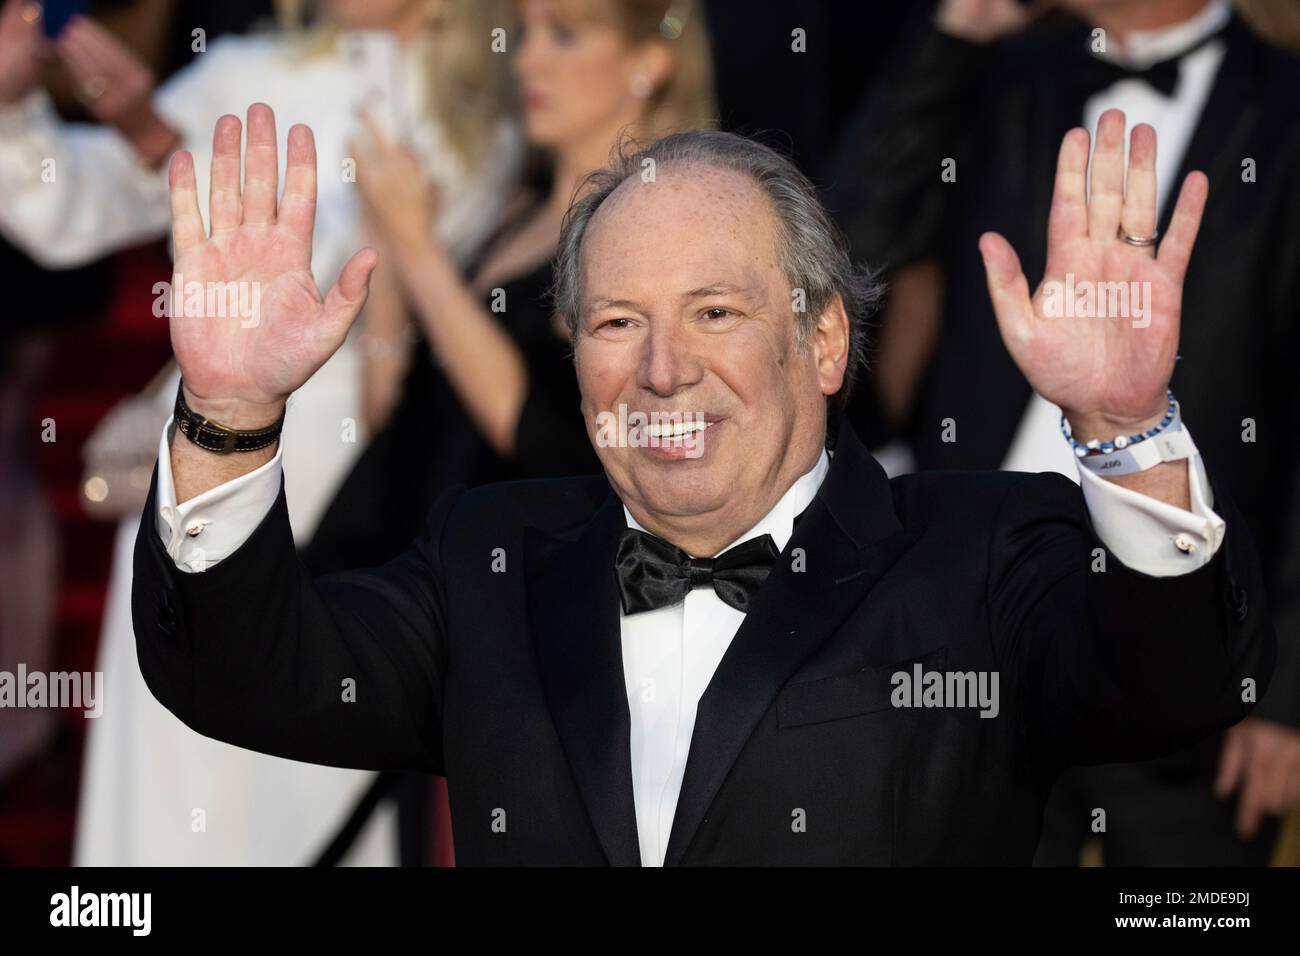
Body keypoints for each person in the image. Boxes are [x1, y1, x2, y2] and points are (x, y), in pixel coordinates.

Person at [132, 104, 1273, 865]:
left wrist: (1124, 430)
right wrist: (229, 418)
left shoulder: (976, 549)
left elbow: (1177, 679)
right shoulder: (488, 556)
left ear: (824, 340)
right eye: (618, 322)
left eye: (715, 313)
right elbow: (245, 677)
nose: (662, 367)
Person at [0, 0, 517, 866]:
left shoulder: (492, 96)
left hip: (374, 482)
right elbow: (75, 212)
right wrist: (27, 112)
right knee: (186, 762)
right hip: (219, 451)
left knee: (319, 761)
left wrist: (403, 261)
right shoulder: (245, 73)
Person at [824, 0, 1300, 864]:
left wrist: (1289, 698)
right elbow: (846, 245)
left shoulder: (1289, 107)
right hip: (971, 611)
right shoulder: (1007, 77)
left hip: (1195, 631)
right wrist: (957, 34)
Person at [304, 0, 717, 576]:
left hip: (482, 585)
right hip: (381, 554)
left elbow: (541, 435)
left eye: (564, 36)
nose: (526, 61)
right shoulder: (515, 211)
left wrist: (420, 251)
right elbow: (390, 415)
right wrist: (391, 251)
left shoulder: (655, 226)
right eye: (523, 35)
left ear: (649, 62)